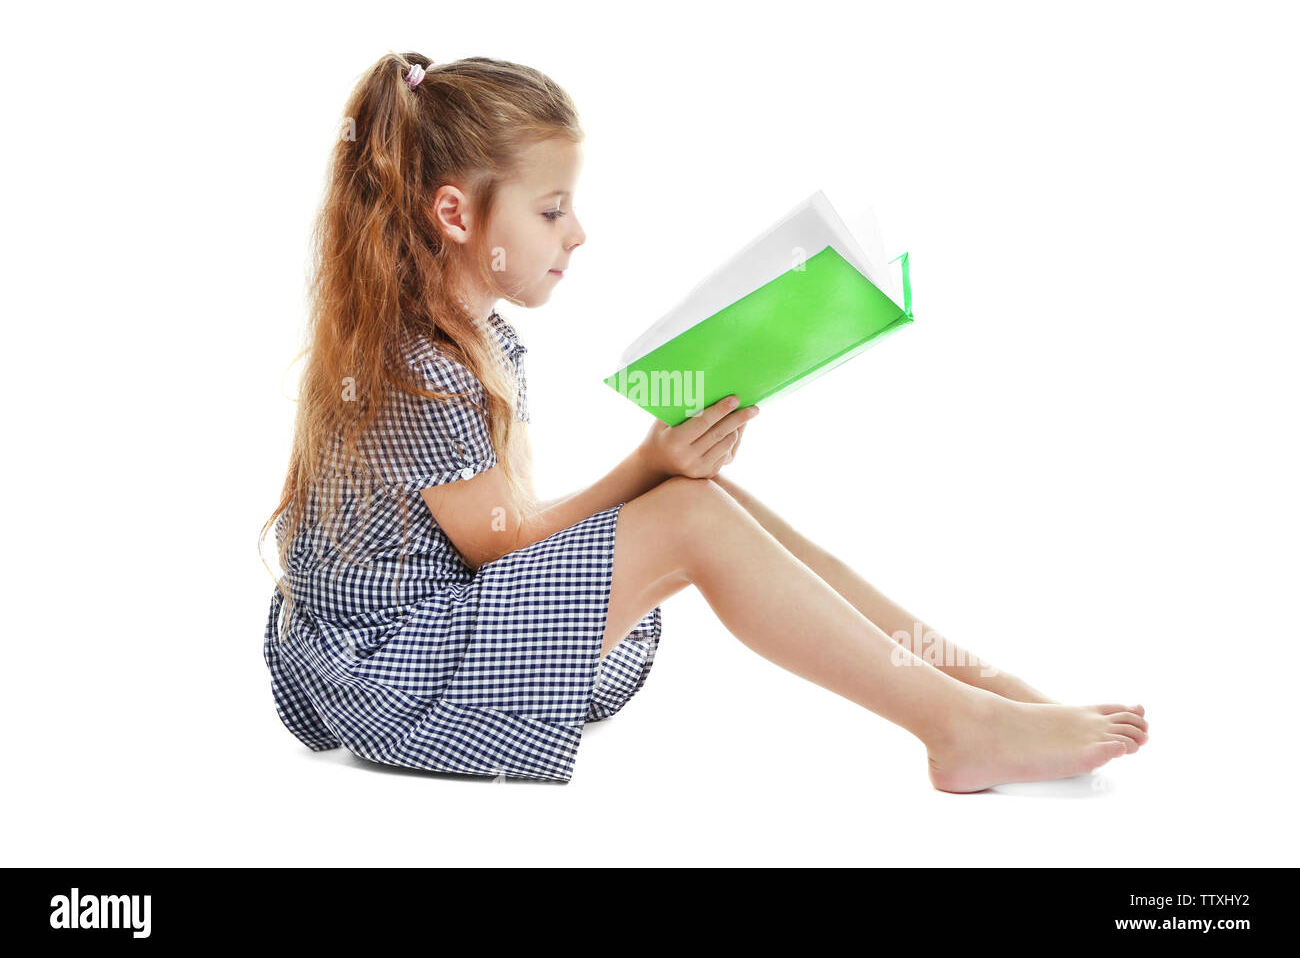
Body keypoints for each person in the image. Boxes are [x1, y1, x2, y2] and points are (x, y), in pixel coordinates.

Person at [261, 51, 1149, 790]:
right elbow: (503, 548)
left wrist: (665, 464)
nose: (578, 233)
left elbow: (506, 539)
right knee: (688, 508)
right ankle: (959, 728)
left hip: (441, 634)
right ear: (455, 214)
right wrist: (648, 466)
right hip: (395, 672)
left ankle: (983, 690)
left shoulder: (476, 340)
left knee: (713, 495)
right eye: (551, 209)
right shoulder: (414, 369)